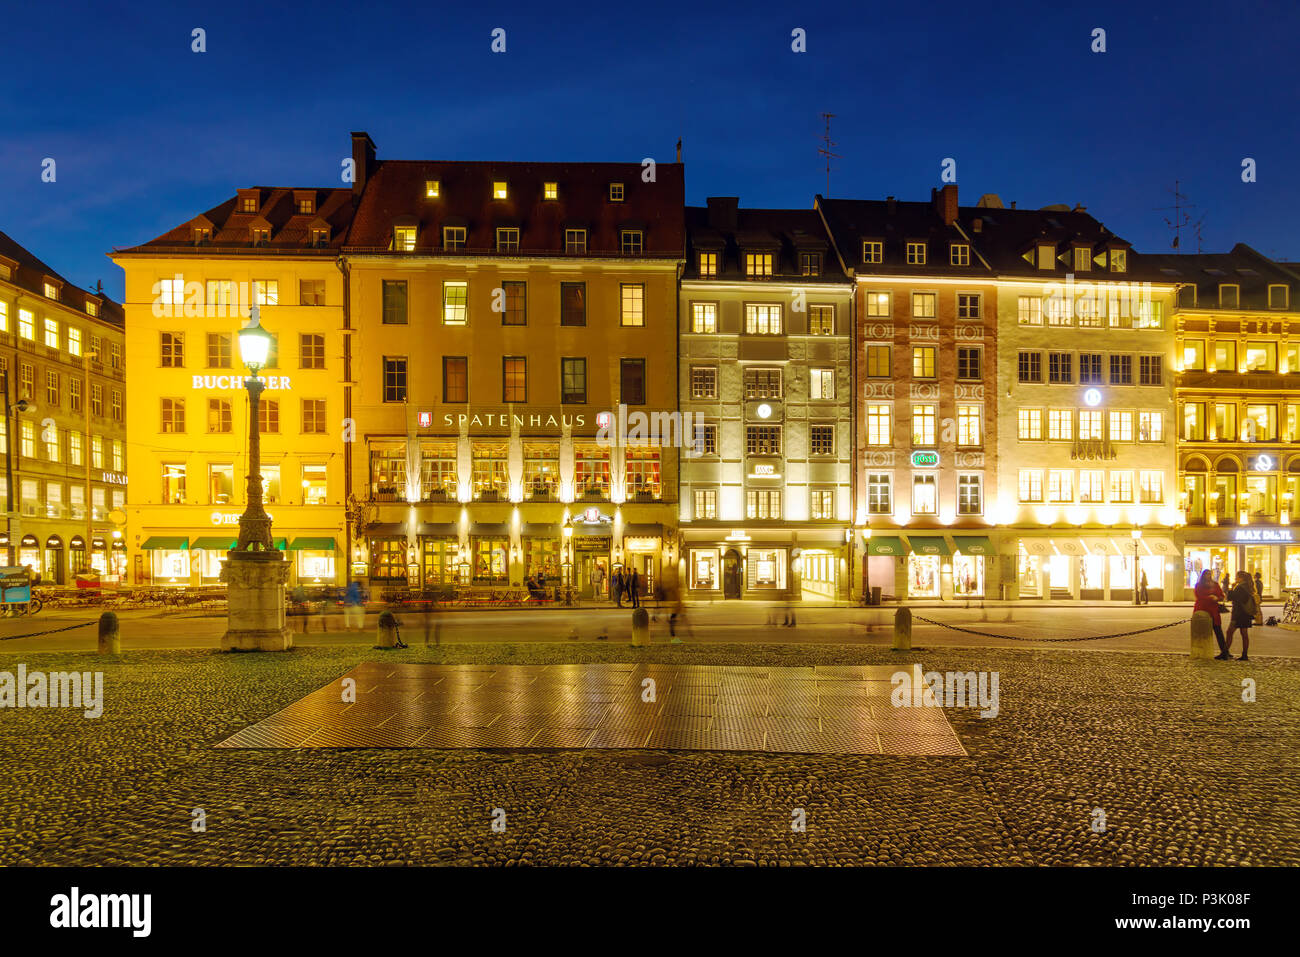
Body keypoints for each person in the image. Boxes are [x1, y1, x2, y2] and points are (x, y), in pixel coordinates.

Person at [1193, 569, 1229, 659]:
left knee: (1218, 631)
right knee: (1201, 633)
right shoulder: (1199, 585)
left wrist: (1217, 598)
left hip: (1214, 610)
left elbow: (1222, 596)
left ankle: (1224, 651)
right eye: (1206, 574)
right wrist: (1210, 597)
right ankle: (1200, 651)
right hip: (1203, 610)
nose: (1208, 576)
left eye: (1209, 574)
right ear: (1203, 575)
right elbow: (1199, 596)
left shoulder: (1215, 585)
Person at [1224, 570, 1256, 662]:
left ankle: (1225, 653)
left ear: (1241, 578)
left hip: (1239, 614)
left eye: (1236, 577)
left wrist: (1231, 588)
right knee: (1244, 634)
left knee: (1229, 632)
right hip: (1246, 614)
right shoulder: (1247, 586)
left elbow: (1231, 598)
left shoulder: (1240, 588)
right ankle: (1244, 654)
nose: (1235, 578)